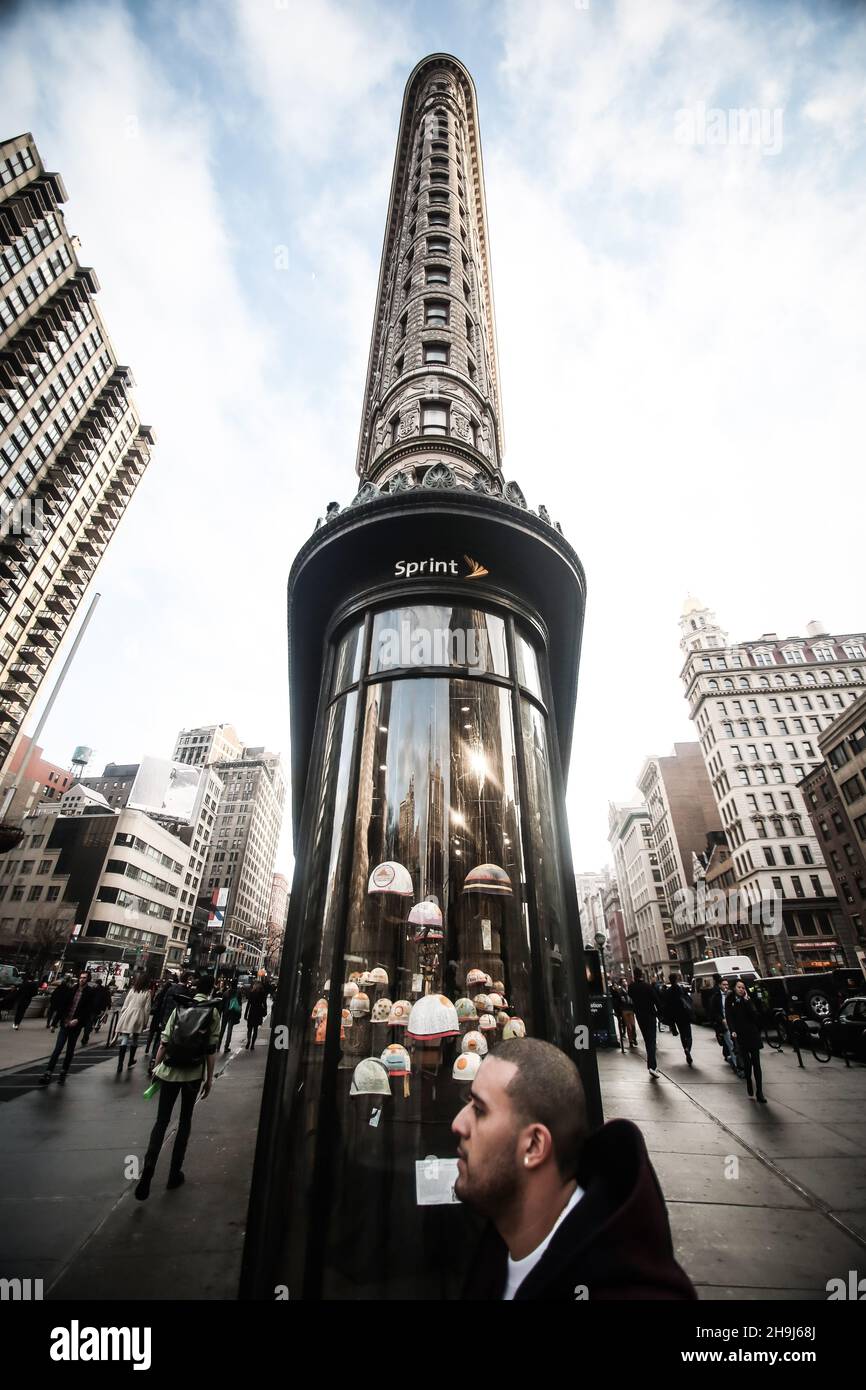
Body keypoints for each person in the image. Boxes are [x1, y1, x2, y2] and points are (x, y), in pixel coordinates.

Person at [455, 1038, 696, 1300]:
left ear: (535, 1146)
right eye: (468, 1102)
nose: (458, 1124)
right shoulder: (497, 1247)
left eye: (479, 1110)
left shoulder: (632, 1290)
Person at [134, 972, 221, 1200]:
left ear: (195, 988)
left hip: (169, 1071)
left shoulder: (180, 1007)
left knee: (161, 1121)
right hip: (192, 1074)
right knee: (184, 1121)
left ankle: (148, 1172)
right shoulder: (212, 1011)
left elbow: (164, 1041)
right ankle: (174, 1173)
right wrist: (209, 1078)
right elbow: (211, 1050)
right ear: (212, 989)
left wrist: (156, 1067)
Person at [39, 970, 99, 1085]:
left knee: (70, 1050)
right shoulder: (72, 990)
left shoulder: (90, 992)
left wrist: (79, 1020)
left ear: (88, 979)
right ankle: (48, 1072)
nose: (82, 979)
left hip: (76, 1026)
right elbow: (62, 1007)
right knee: (58, 1049)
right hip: (65, 1023)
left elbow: (89, 1010)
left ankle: (63, 1071)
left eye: (85, 978)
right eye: (81, 977)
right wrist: (54, 1023)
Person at [726, 980, 767, 1103]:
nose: (741, 989)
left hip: (752, 1034)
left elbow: (755, 1015)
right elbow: (729, 1017)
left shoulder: (748, 1000)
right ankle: (749, 1081)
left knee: (757, 1064)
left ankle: (759, 1092)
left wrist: (747, 1001)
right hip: (740, 1035)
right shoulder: (730, 1000)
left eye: (743, 987)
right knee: (747, 1064)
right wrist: (732, 1030)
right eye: (739, 987)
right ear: (734, 988)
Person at [114, 973, 153, 1074]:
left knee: (125, 1038)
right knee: (135, 1038)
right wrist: (145, 1021)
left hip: (128, 1013)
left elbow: (126, 1004)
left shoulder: (132, 990)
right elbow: (147, 1009)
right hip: (139, 1015)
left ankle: (120, 1065)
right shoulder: (147, 993)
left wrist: (124, 1013)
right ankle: (130, 1060)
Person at [629, 968, 661, 1077]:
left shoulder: (631, 987)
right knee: (651, 1040)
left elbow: (631, 998)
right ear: (642, 974)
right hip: (650, 1015)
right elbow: (656, 1000)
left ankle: (652, 1065)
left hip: (639, 1016)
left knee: (647, 1039)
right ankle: (652, 1066)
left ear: (634, 975)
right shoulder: (647, 986)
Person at [707, 976, 739, 1074]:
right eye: (724, 985)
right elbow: (714, 1012)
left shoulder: (732, 995)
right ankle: (738, 1066)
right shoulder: (716, 997)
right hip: (725, 1025)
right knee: (732, 1046)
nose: (726, 986)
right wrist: (721, 1020)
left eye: (727, 985)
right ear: (719, 985)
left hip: (735, 1024)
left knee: (738, 1045)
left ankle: (735, 1061)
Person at [666, 972, 694, 1066]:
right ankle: (688, 1049)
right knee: (688, 1034)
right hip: (684, 1014)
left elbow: (667, 1005)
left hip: (676, 1016)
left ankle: (685, 1047)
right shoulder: (681, 989)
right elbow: (688, 999)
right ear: (676, 979)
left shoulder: (668, 991)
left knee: (682, 1034)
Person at [610, 978, 637, 1048]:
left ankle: (634, 1037)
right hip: (624, 1009)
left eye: (625, 981)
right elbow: (620, 1000)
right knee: (629, 1026)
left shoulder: (629, 989)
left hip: (630, 1009)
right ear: (621, 983)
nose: (625, 982)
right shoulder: (620, 990)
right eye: (623, 981)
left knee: (633, 1025)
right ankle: (631, 1041)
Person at [219, 979, 243, 1053]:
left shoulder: (226, 993)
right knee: (229, 1030)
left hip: (225, 1013)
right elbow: (239, 1005)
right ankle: (226, 1046)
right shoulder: (238, 993)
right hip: (232, 1013)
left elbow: (222, 1004)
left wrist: (220, 1013)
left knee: (222, 1029)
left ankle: (218, 1045)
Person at [244, 981, 267, 1049]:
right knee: (255, 1029)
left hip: (252, 1011)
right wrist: (265, 1011)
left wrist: (246, 1014)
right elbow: (264, 1004)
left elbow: (248, 1004)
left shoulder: (252, 993)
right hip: (258, 1012)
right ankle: (252, 1044)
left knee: (249, 1029)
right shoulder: (262, 994)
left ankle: (248, 1040)